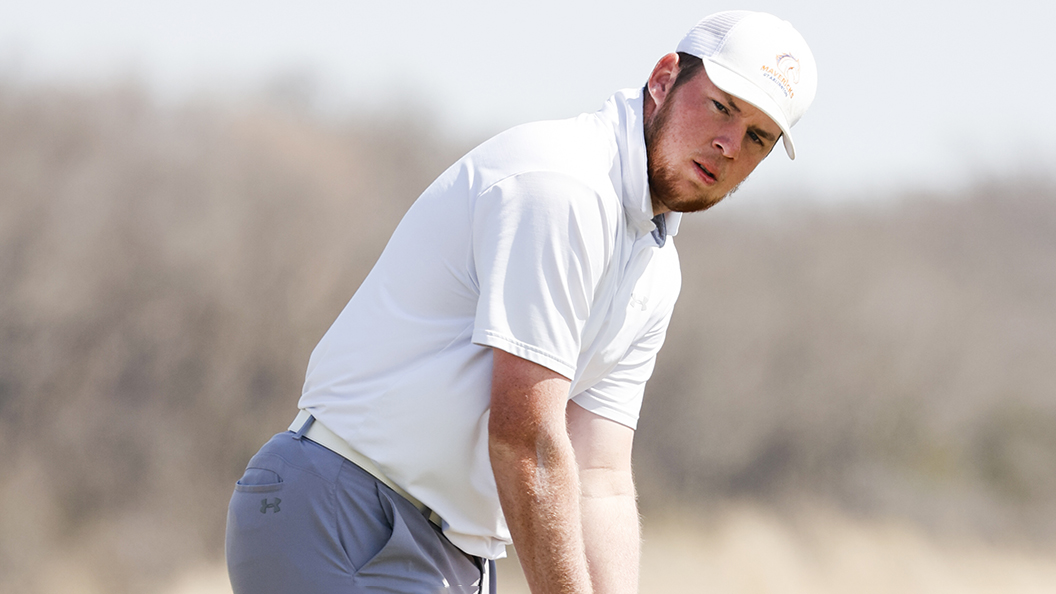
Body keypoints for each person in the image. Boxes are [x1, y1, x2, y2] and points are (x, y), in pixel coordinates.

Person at [226, 9, 817, 594]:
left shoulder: (655, 266)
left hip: (451, 552)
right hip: (343, 514)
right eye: (722, 106)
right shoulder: (563, 187)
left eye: (758, 136)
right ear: (664, 79)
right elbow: (525, 440)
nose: (728, 143)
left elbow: (600, 475)